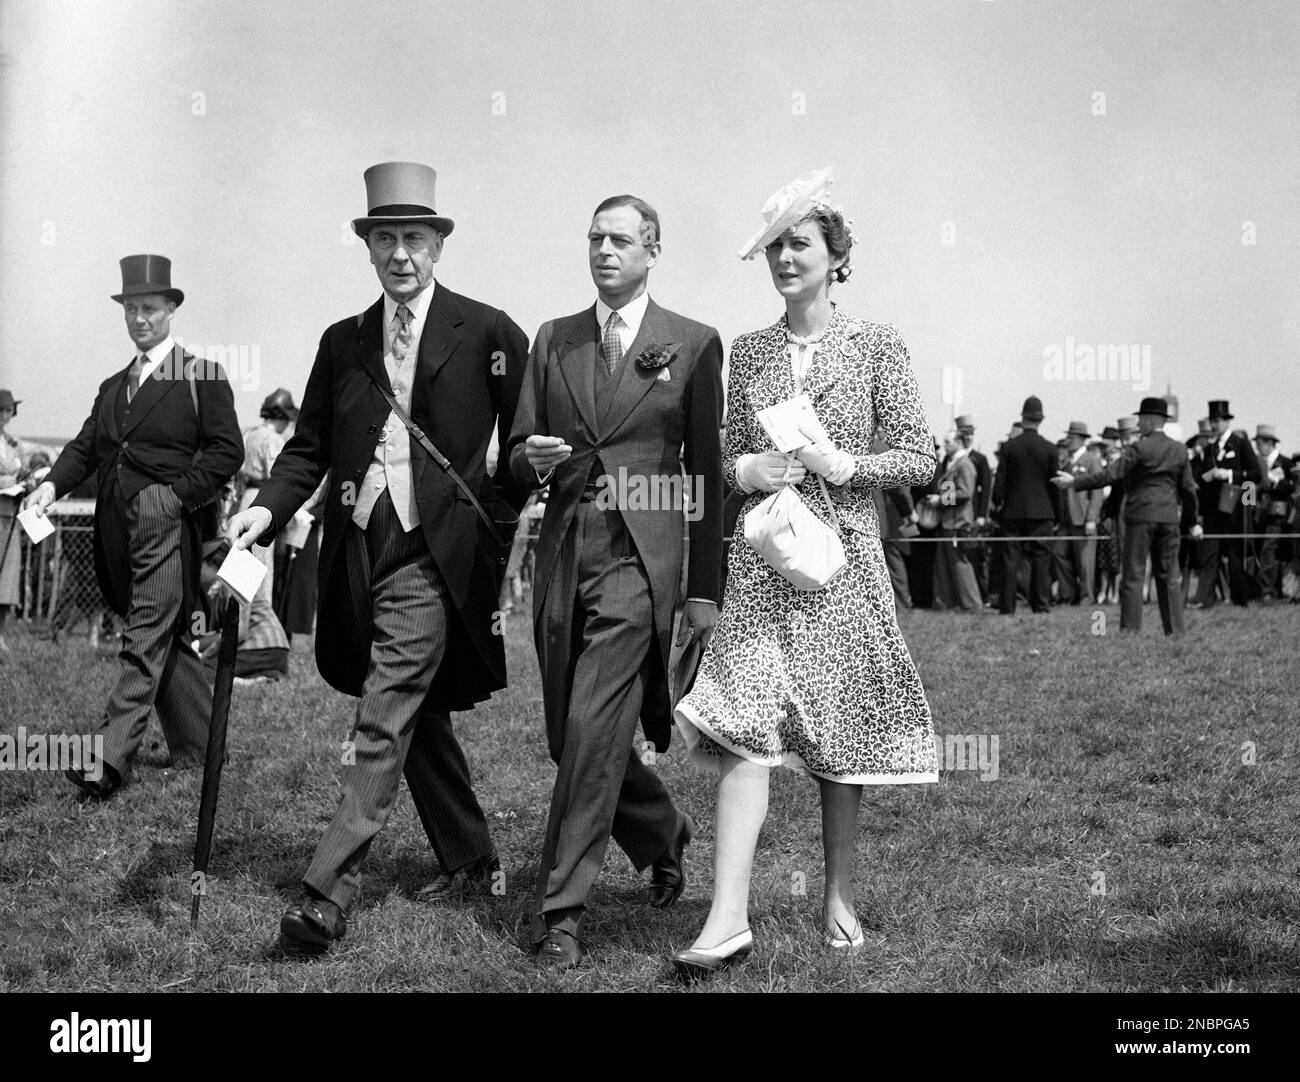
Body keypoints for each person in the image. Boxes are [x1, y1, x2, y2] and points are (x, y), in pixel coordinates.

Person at [228, 162, 530, 949]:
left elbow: (529, 442)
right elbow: (310, 449)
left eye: (416, 239)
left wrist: (493, 518)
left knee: (384, 708)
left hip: (439, 553)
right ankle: (470, 855)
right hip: (358, 550)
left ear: (438, 245)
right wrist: (262, 511)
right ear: (368, 247)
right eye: (387, 239)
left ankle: (325, 893)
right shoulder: (343, 341)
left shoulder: (490, 331)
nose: (402, 254)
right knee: (414, 703)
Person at [670, 171, 937, 979]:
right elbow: (717, 450)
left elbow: (920, 455)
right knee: (746, 723)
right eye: (776, 246)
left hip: (844, 563)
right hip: (759, 565)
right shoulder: (747, 351)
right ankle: (726, 919)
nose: (786, 258)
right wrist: (745, 466)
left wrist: (846, 462)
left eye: (801, 244)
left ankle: (838, 897)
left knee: (836, 731)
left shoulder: (877, 344)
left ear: (835, 256)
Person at [505, 193, 724, 971]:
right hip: (564, 555)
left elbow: (704, 474)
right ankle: (662, 832)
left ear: (653, 250)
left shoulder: (694, 344)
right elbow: (517, 449)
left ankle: (559, 910)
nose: (603, 250)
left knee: (595, 723)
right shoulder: (552, 339)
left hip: (643, 561)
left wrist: (703, 589)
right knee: (572, 730)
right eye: (594, 237)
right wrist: (525, 459)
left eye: (620, 240)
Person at [25, 256, 242, 797]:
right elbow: (85, 449)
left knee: (143, 632)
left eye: (150, 308)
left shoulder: (201, 376)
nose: (140, 318)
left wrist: (173, 498)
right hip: (115, 532)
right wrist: (52, 486)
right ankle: (201, 747)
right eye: (131, 309)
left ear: (171, 310)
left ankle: (106, 758)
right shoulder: (112, 385)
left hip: (166, 525)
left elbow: (226, 452)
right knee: (163, 632)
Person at [1054, 397, 1200, 635]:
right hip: (1168, 517)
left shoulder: (1139, 449)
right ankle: (1175, 630)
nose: (1138, 423)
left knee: (1133, 573)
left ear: (1151, 420)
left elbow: (1109, 475)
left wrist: (1074, 483)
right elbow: (1189, 490)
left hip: (1139, 517)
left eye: (1141, 418)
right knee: (1169, 576)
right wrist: (1192, 522)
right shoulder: (1179, 450)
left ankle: (1131, 630)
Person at [1190, 400, 1261, 608]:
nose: (1214, 425)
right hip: (1213, 508)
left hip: (1234, 507)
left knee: (1235, 553)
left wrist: (1228, 474)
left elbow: (1255, 474)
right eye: (1212, 421)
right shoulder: (1209, 448)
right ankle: (1204, 598)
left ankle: (1240, 599)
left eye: (1218, 421)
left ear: (1226, 422)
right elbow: (1199, 480)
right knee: (1210, 553)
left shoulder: (1240, 444)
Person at [992, 396, 1058, 614]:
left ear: (1023, 418)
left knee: (1010, 561)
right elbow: (1055, 486)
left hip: (1013, 512)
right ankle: (1040, 604)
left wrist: (997, 503)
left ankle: (1008, 606)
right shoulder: (1049, 449)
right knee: (1041, 561)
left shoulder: (1010, 447)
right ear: (1041, 420)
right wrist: (1058, 515)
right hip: (1042, 512)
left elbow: (1000, 483)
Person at [929, 429, 981, 611]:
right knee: (945, 564)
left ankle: (972, 603)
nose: (945, 445)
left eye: (948, 441)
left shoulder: (965, 465)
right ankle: (948, 603)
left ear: (958, 442)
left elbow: (965, 493)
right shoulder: (951, 464)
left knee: (960, 565)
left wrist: (940, 500)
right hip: (948, 521)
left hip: (958, 522)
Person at [1056, 421, 1104, 604]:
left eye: (1072, 437)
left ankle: (1086, 596)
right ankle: (1068, 593)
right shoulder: (1067, 461)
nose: (1069, 440)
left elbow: (1097, 492)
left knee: (1085, 561)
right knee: (1060, 554)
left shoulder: (1092, 460)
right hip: (1066, 518)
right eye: (1069, 437)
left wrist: (1091, 518)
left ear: (1081, 439)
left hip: (1083, 518)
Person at [0, 389, 30, 652]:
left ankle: (0, 634)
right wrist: (7, 481)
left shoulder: (13, 443)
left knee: (8, 578)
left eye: (8, 410)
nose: (4, 415)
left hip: (11, 515)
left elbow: (22, 469)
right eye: (1, 409)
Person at [1250, 424, 1291, 600]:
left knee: (1271, 550)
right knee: (1261, 550)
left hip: (1279, 514)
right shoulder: (1256, 464)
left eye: (1259, 444)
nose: (1257, 448)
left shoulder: (1286, 463)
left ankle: (1266, 589)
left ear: (1268, 443)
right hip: (1259, 514)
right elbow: (1249, 488)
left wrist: (1274, 482)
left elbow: (1289, 488)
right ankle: (1270, 588)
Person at [954, 415, 991, 602]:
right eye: (965, 434)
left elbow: (985, 489)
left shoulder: (979, 459)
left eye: (971, 434)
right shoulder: (951, 459)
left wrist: (982, 515)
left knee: (975, 555)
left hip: (973, 513)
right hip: (956, 516)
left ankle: (982, 595)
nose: (969, 437)